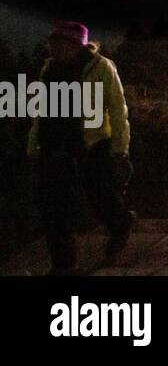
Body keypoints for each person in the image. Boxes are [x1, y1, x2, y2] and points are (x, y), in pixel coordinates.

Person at [26, 21, 134, 274]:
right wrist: (33, 145)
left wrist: (120, 149)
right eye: (51, 43)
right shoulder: (49, 69)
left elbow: (118, 110)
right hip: (53, 144)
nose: (52, 48)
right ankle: (62, 266)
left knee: (100, 198)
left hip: (93, 144)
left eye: (58, 43)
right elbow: (42, 111)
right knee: (52, 207)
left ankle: (121, 224)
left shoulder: (102, 67)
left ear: (75, 45)